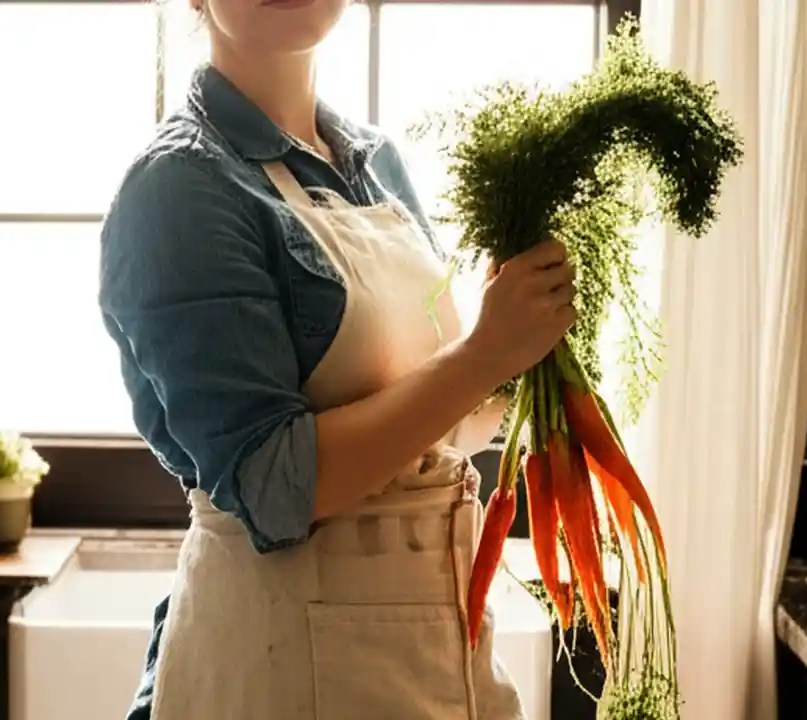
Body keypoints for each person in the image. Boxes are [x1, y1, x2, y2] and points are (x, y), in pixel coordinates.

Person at [99, 0, 577, 717]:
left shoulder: (376, 163)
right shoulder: (179, 189)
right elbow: (275, 485)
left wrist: (525, 349)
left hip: (436, 654)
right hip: (282, 664)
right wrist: (482, 355)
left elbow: (445, 429)